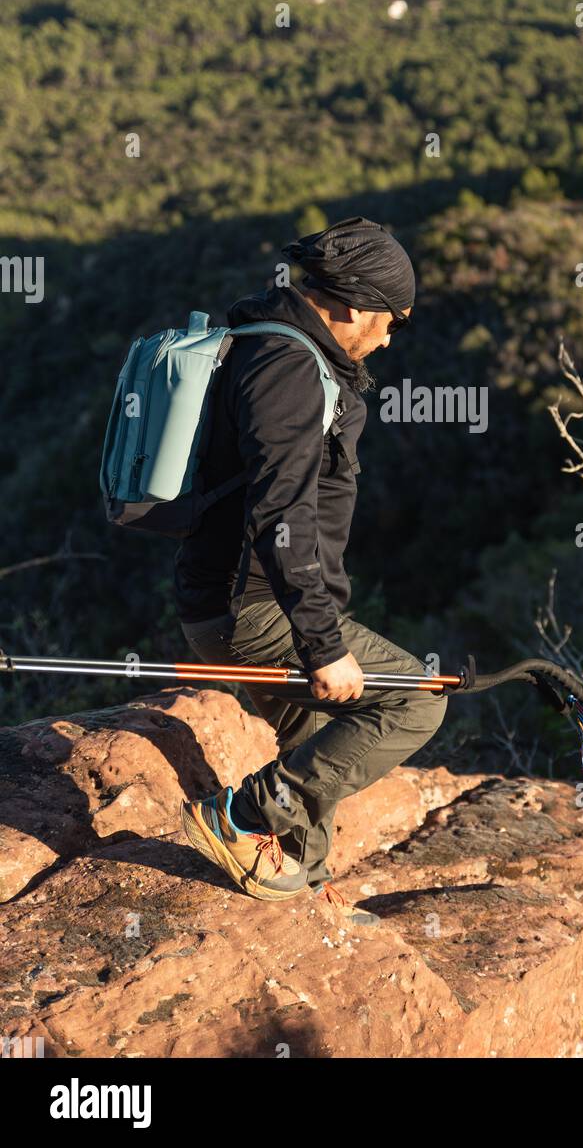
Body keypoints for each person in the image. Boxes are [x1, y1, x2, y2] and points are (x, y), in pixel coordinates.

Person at [177, 217, 447, 923]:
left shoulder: (266, 343)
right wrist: (323, 645)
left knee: (309, 735)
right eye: (390, 321)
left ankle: (297, 882)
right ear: (355, 306)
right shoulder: (290, 368)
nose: (389, 337)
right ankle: (242, 817)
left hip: (228, 602)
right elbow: (282, 512)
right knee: (416, 698)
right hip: (254, 609)